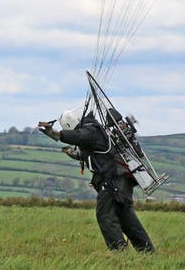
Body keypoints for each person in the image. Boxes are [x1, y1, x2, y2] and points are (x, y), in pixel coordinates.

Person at [38, 108, 155, 253]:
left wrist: (56, 134)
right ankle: (147, 252)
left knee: (105, 216)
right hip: (122, 181)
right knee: (126, 219)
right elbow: (96, 153)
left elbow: (80, 137)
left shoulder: (91, 130)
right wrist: (76, 154)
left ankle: (120, 254)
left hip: (112, 183)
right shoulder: (97, 131)